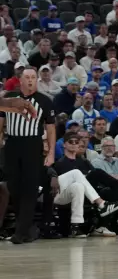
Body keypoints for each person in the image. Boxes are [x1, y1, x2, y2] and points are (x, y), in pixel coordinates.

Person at [0, 67, 56, 244]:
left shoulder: (45, 101)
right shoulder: (9, 98)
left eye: (33, 77)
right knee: (14, 187)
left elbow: (51, 129)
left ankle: (20, 231)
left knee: (30, 189)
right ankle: (26, 229)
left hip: (33, 145)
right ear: (20, 80)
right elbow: (0, 124)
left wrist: (51, 153)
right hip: (12, 145)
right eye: (27, 77)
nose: (31, 80)